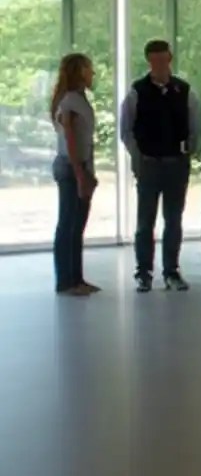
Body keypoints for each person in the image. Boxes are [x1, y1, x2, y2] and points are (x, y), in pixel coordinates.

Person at [120, 39, 201, 293]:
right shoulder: (137, 92)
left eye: (163, 59)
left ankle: (171, 272)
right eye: (155, 60)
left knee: (173, 219)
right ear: (149, 61)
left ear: (170, 59)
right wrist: (137, 157)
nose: (160, 64)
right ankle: (144, 272)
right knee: (145, 221)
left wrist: (188, 152)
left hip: (176, 163)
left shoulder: (184, 91)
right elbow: (126, 129)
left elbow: (194, 125)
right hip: (149, 164)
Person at [50, 53, 102, 296]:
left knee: (76, 225)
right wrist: (80, 174)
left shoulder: (78, 99)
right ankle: (66, 281)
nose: (92, 74)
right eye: (88, 69)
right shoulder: (70, 101)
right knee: (69, 223)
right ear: (79, 72)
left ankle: (76, 278)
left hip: (79, 166)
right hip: (71, 167)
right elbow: (70, 140)